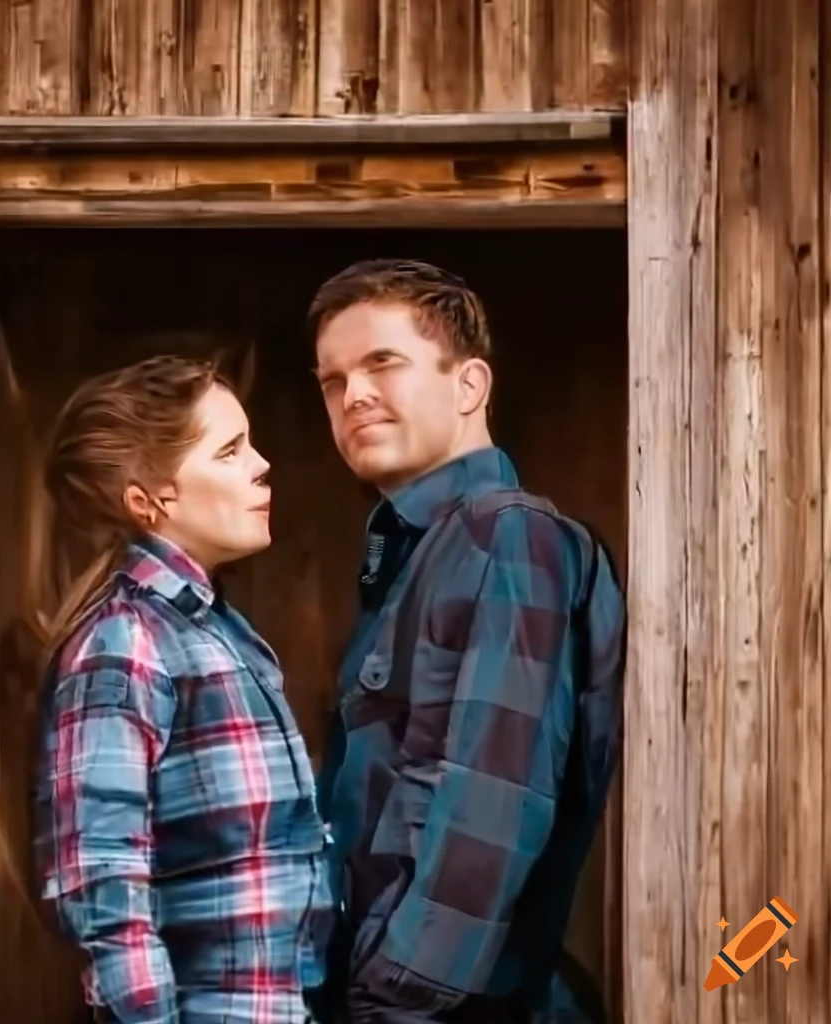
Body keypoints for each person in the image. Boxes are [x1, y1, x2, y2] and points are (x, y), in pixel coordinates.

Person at [308, 260, 627, 1022]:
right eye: (332, 380)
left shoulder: (505, 537)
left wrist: (392, 1001)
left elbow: (493, 806)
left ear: (469, 385)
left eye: (383, 363)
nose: (353, 395)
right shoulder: (426, 551)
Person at [31, 352, 333, 1024]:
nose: (262, 464)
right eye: (229, 451)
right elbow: (104, 891)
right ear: (149, 499)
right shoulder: (126, 643)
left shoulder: (214, 632)